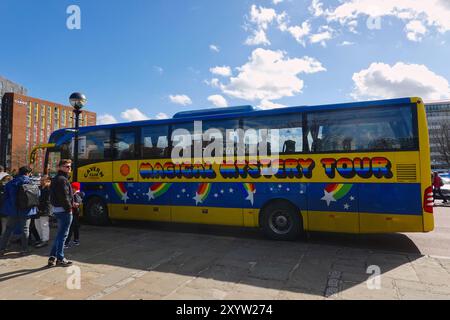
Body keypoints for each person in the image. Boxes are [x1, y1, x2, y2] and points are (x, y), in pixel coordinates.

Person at [0, 166, 38, 255]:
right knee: (25, 229)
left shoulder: (11, 183)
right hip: (26, 210)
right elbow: (37, 195)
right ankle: (24, 249)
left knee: (8, 229)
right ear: (28, 173)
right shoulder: (31, 182)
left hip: (13, 210)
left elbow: (5, 196)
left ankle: (2, 248)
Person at [48, 159, 74, 267]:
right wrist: (69, 208)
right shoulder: (62, 180)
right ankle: (60, 258)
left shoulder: (56, 178)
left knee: (59, 234)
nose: (69, 168)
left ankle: (52, 257)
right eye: (66, 166)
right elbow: (64, 197)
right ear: (60, 167)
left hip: (58, 210)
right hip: (64, 211)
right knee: (63, 235)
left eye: (70, 166)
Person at [34, 175, 52, 248]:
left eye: (42, 180)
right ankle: (41, 238)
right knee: (37, 224)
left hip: (45, 209)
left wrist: (42, 208)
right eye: (40, 180)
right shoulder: (40, 188)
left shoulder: (49, 189)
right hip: (38, 209)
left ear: (48, 181)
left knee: (44, 225)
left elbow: (48, 201)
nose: (41, 181)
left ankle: (45, 240)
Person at [65, 182, 83, 248]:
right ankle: (76, 240)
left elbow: (78, 203)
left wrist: (75, 204)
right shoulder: (75, 194)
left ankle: (67, 242)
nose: (71, 189)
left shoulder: (76, 194)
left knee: (71, 227)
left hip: (74, 213)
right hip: (75, 212)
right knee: (75, 227)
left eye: (73, 188)